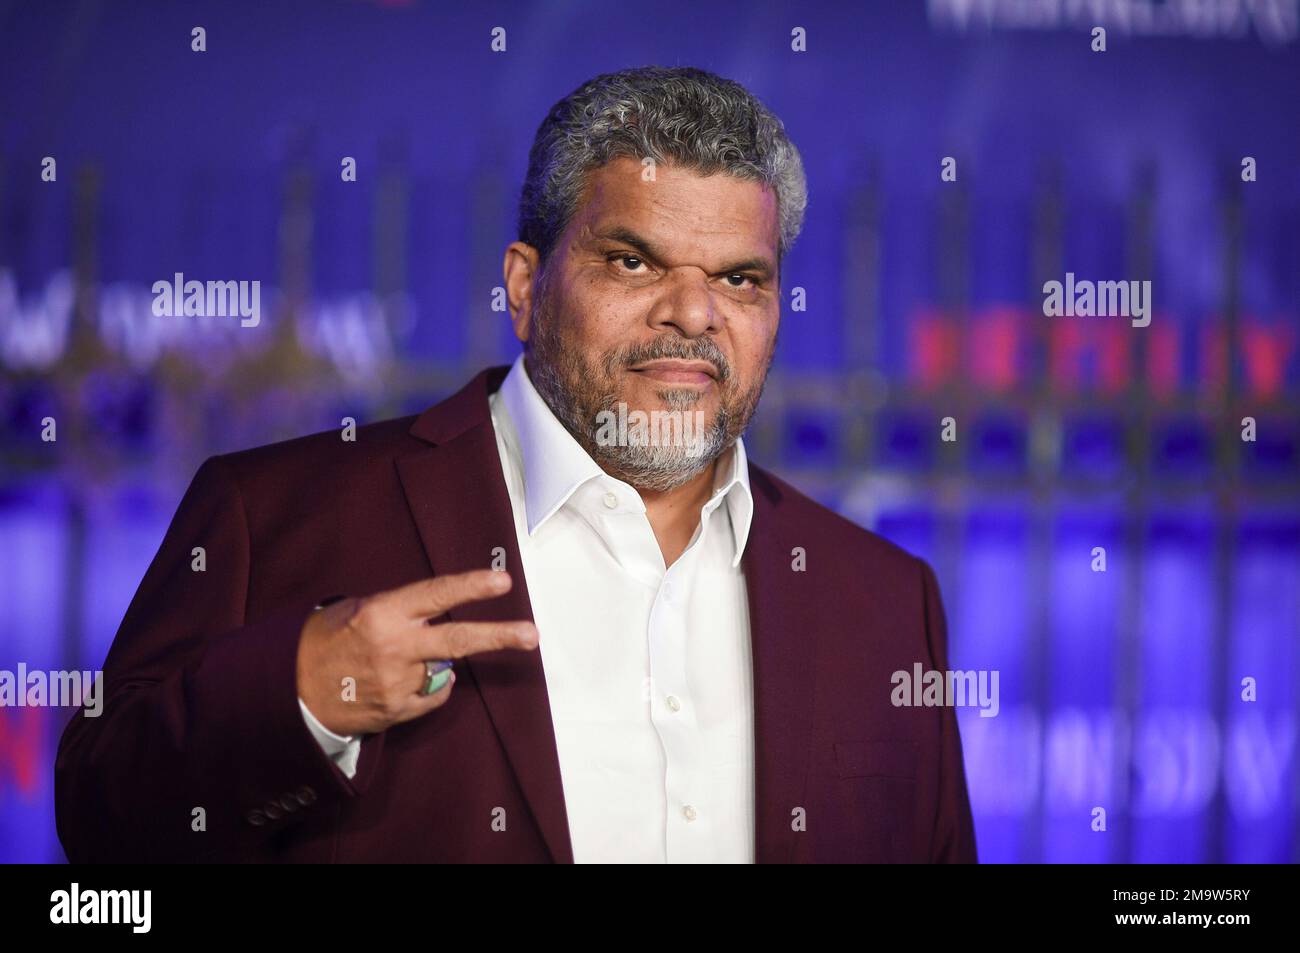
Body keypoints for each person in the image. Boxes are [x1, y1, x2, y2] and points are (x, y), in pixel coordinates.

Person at [55, 65, 977, 863]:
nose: (694, 314)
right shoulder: (274, 516)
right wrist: (299, 700)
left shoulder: (886, 605)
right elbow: (104, 829)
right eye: (633, 261)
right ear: (526, 286)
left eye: (740, 278)